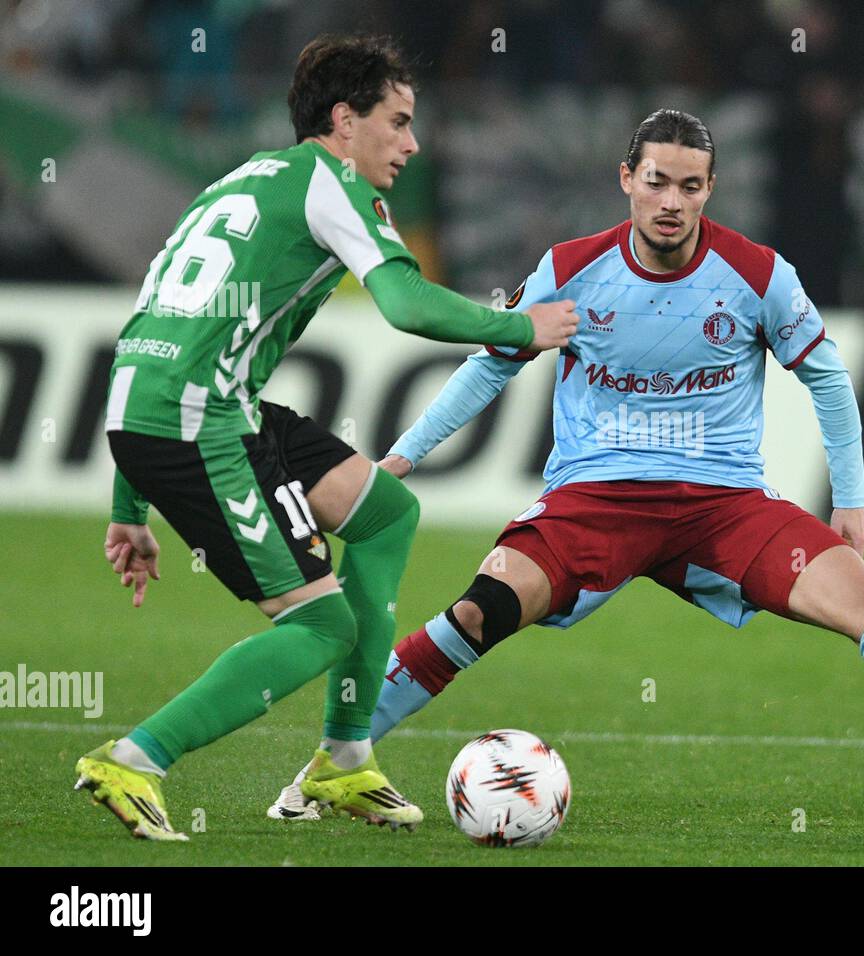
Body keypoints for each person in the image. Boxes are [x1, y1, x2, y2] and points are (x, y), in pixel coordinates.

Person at [270, 109, 864, 829]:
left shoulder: (758, 275)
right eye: (658, 182)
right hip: (595, 502)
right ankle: (333, 766)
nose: (673, 202)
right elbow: (493, 363)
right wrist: (407, 453)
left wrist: (850, 500)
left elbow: (828, 378)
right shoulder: (570, 269)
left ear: (711, 189)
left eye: (692, 187)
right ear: (626, 178)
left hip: (724, 507)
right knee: (481, 611)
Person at [77, 33, 579, 841]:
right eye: (399, 121)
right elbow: (406, 303)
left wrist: (127, 503)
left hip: (179, 404)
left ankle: (345, 762)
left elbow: (151, 331)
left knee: (385, 513)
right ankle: (134, 760)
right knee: (320, 626)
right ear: (345, 120)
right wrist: (522, 324)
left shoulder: (239, 181)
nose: (412, 145)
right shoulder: (333, 184)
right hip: (198, 421)